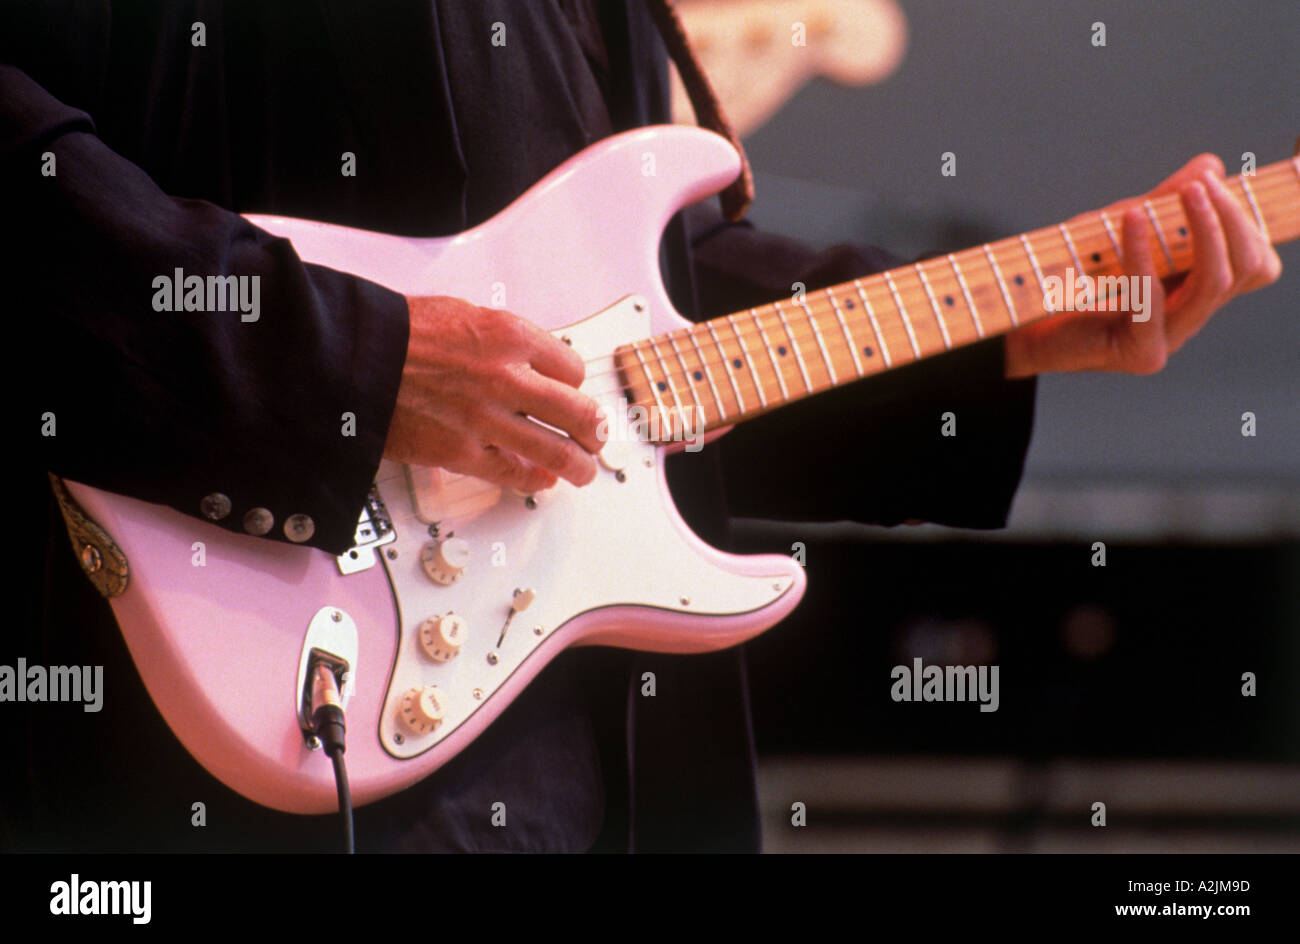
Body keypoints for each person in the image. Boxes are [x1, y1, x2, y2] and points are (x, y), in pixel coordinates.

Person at [0, 1, 1279, 853]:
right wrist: (360, 365)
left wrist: (1003, 330)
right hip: (172, 742)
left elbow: (634, 347)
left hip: (575, 781)